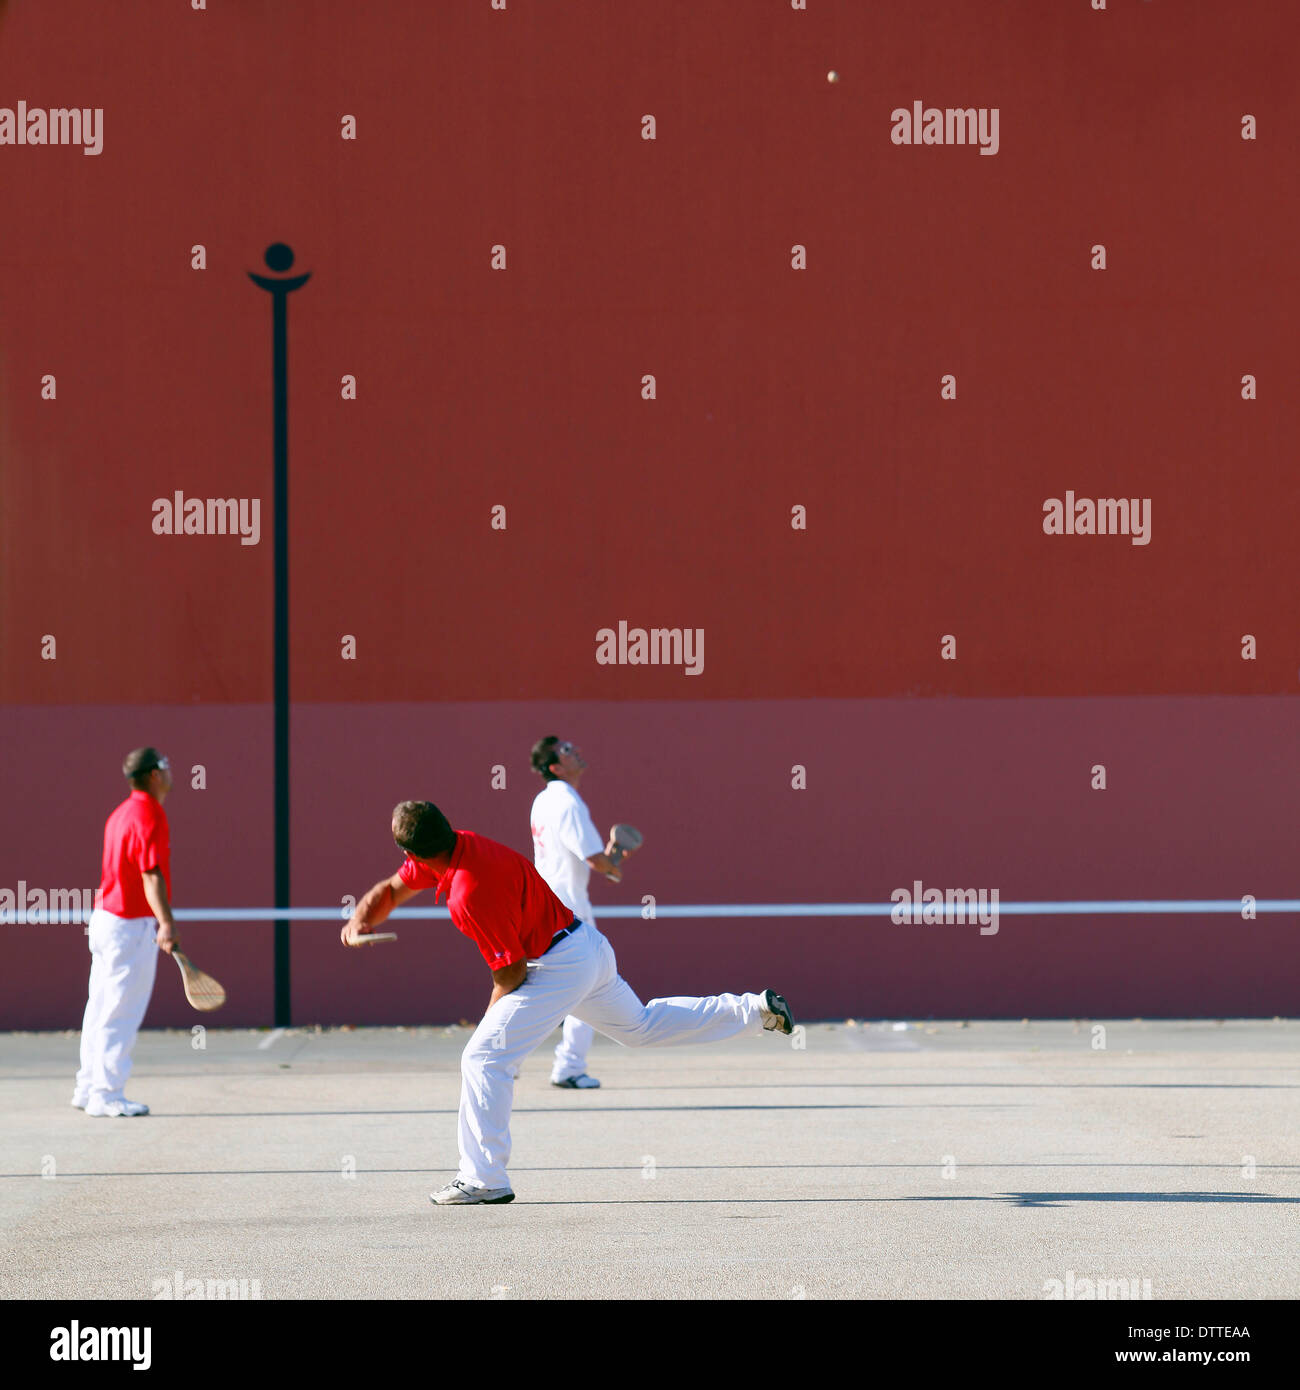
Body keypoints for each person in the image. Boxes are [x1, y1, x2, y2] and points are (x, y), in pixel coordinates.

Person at [342, 800, 795, 1205]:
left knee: (483, 1058)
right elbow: (392, 890)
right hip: (586, 947)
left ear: (412, 852)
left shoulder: (467, 894)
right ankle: (756, 1010)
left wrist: (493, 1025)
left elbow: (511, 973)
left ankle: (483, 1179)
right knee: (640, 1028)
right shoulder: (463, 844)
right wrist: (360, 919)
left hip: (558, 966)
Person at [73, 747, 179, 1117]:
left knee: (99, 1007)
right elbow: (151, 874)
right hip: (129, 927)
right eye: (165, 766)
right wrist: (166, 921)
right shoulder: (150, 813)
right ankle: (107, 1095)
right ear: (154, 775)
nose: (170, 772)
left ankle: (87, 1087)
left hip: (104, 921)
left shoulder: (119, 813)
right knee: (121, 1012)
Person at [529, 735, 632, 1090]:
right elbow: (595, 859)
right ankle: (568, 1066)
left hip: (543, 908)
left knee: (533, 988)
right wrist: (614, 866)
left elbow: (579, 854)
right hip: (570, 913)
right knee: (590, 985)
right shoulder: (568, 803)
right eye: (566, 751)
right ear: (556, 767)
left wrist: (609, 861)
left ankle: (503, 1057)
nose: (575, 752)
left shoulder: (542, 800)